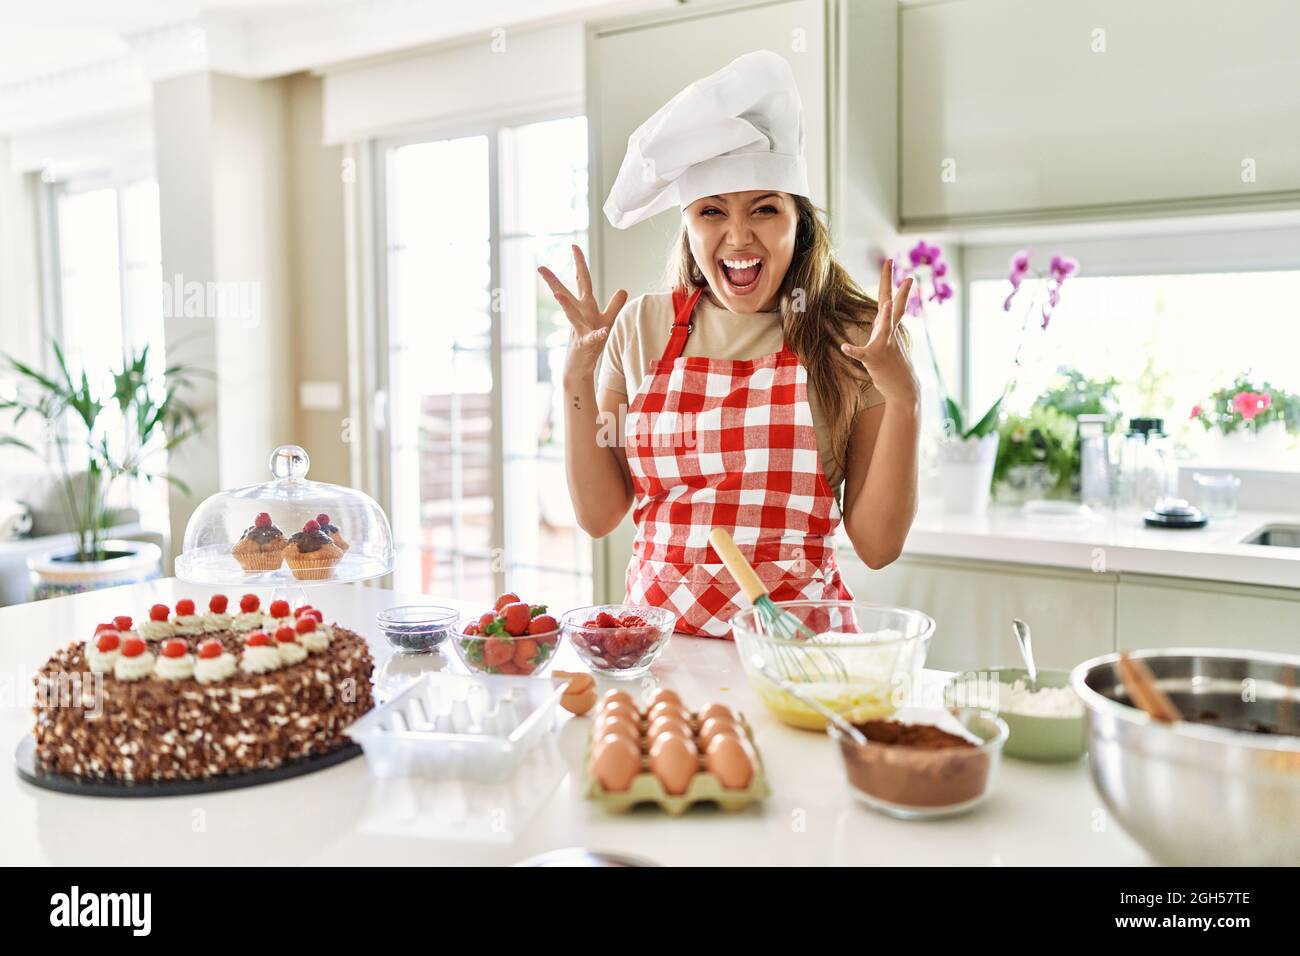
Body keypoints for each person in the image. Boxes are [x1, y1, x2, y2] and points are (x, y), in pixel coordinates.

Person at [539, 50, 920, 638]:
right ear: (688, 227)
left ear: (800, 220)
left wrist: (904, 399)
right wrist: (575, 380)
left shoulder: (855, 337)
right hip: (659, 652)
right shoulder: (642, 326)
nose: (737, 237)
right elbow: (599, 516)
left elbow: (877, 546)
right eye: (711, 211)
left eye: (764, 210)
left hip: (799, 656)